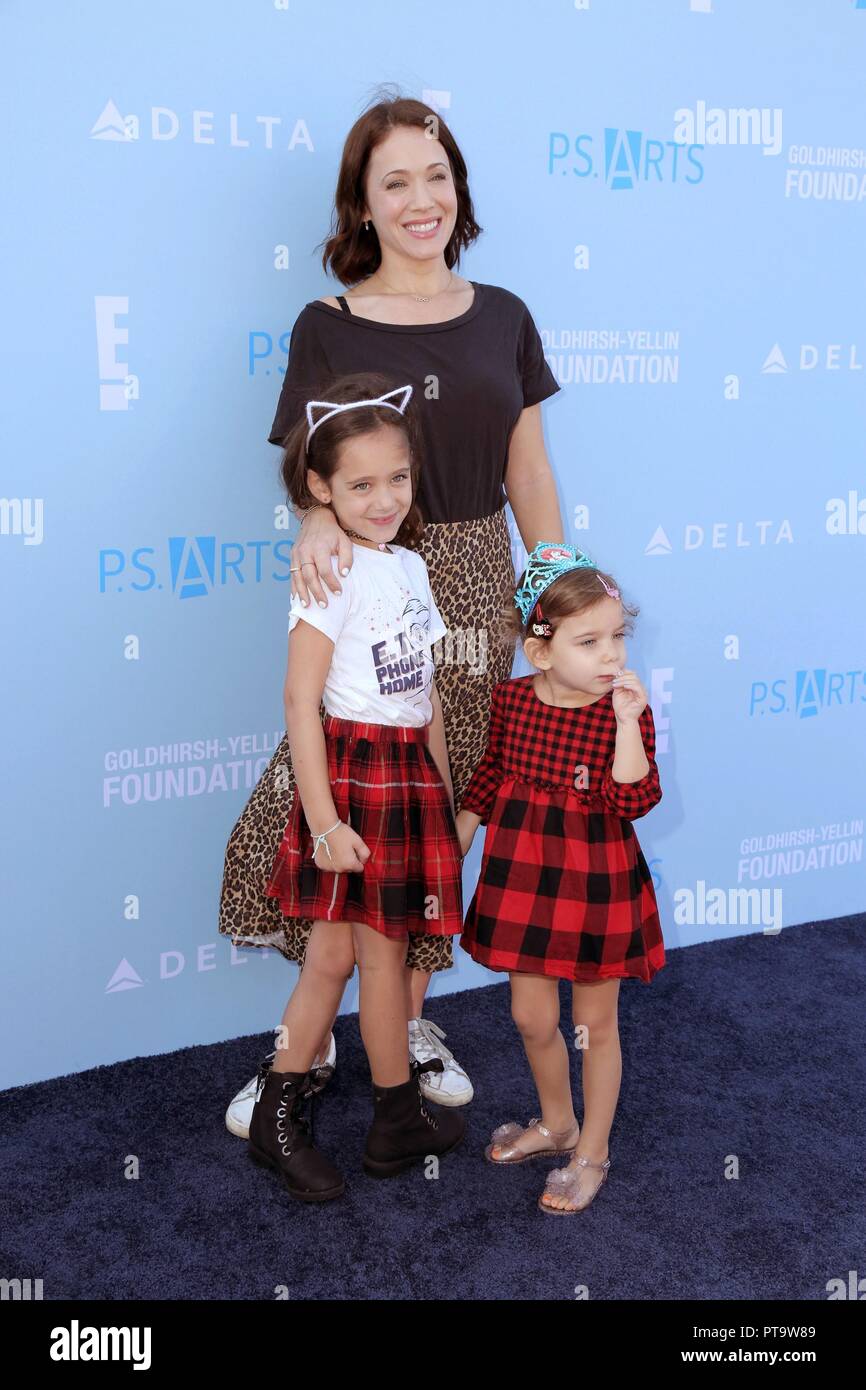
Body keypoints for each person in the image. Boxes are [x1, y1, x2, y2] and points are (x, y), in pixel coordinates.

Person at [220, 91, 565, 1134]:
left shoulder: (502, 314)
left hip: (474, 581)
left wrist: (550, 589)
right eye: (394, 182)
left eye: (435, 175)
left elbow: (530, 471)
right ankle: (306, 1044)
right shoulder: (324, 326)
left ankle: (405, 1023)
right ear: (361, 206)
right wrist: (311, 527)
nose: (420, 199)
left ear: (456, 189)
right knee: (320, 798)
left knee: (439, 810)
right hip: (371, 582)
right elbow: (307, 471)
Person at [248, 372, 465, 1202]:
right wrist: (326, 819)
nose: (384, 499)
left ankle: (390, 1118)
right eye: (362, 484)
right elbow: (300, 699)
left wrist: (440, 790)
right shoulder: (327, 567)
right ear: (320, 489)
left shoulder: (409, 566)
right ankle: (296, 1116)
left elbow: (426, 691)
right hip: (349, 776)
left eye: (398, 479)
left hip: (405, 772)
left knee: (369, 954)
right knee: (348, 956)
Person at [455, 543, 665, 1215]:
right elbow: (492, 774)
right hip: (522, 874)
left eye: (617, 638)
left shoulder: (619, 712)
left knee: (593, 1024)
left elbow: (634, 799)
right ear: (541, 653)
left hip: (594, 882)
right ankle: (556, 1122)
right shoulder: (513, 701)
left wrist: (630, 724)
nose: (612, 656)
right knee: (530, 1015)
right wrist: (457, 838)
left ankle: (592, 1151)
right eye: (590, 641)